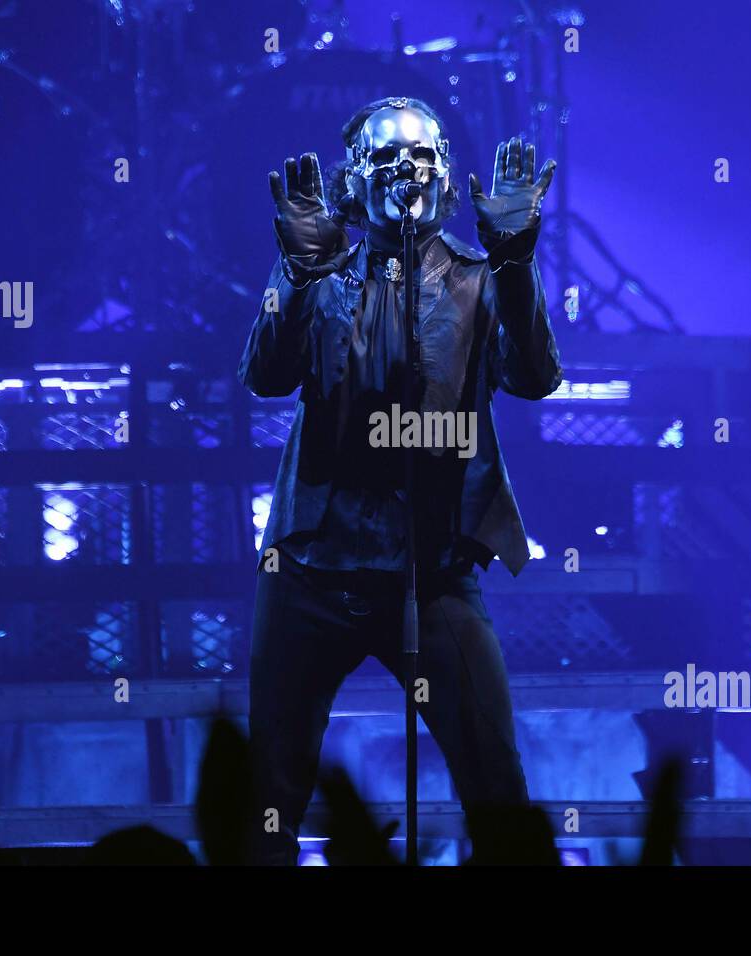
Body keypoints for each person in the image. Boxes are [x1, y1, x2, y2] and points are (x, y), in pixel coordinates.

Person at [238, 96, 561, 864]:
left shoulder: (480, 281)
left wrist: (515, 263)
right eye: (385, 158)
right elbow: (263, 375)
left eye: (419, 158)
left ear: (445, 176)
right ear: (354, 180)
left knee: (496, 781)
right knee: (271, 794)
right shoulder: (318, 275)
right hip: (314, 571)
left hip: (434, 570)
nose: (403, 172)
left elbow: (537, 376)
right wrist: (291, 270)